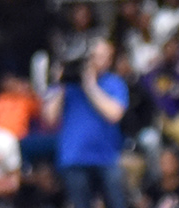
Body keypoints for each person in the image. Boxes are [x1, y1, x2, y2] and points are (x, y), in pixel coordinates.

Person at [45, 38, 128, 208]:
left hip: (106, 157)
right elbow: (49, 118)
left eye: (103, 56)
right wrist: (61, 83)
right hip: (74, 157)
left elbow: (114, 114)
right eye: (94, 56)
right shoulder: (68, 85)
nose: (97, 61)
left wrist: (90, 85)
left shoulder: (114, 83)